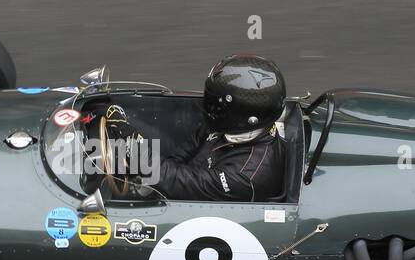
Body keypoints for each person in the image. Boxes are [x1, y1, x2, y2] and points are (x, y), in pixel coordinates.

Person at [103, 54, 286, 202]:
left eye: (218, 104)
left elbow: (178, 183)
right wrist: (141, 168)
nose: (210, 106)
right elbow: (183, 152)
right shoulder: (229, 126)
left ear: (243, 115)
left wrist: (133, 147)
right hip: (184, 177)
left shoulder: (244, 177)